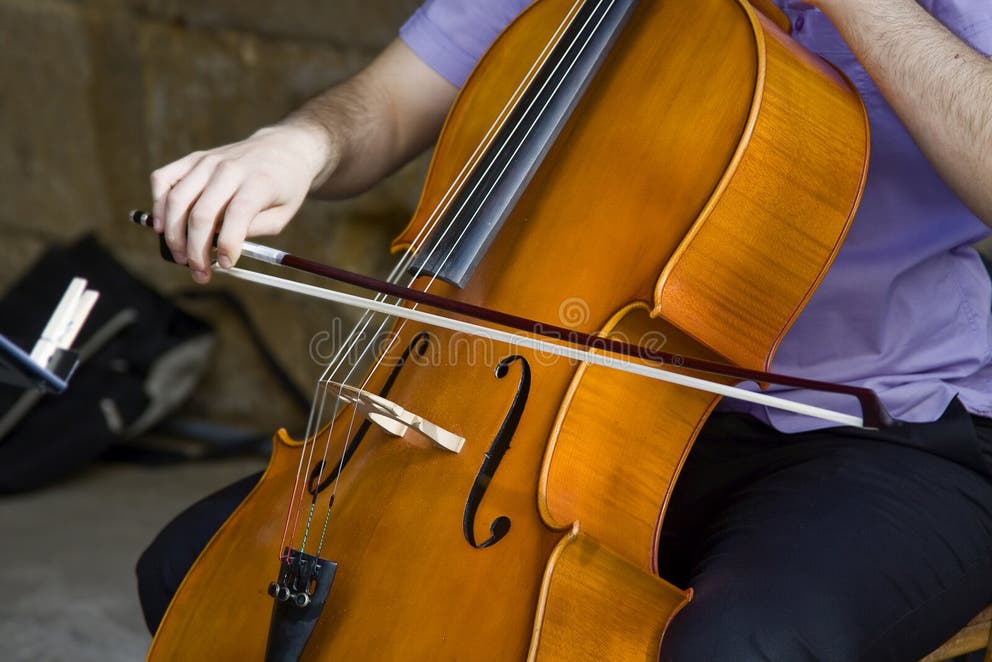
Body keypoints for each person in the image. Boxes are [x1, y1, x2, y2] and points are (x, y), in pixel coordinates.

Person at [138, 0, 992, 659]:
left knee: (730, 650)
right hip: (575, 413)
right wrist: (296, 144)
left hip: (882, 430)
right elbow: (388, 104)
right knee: (202, 572)